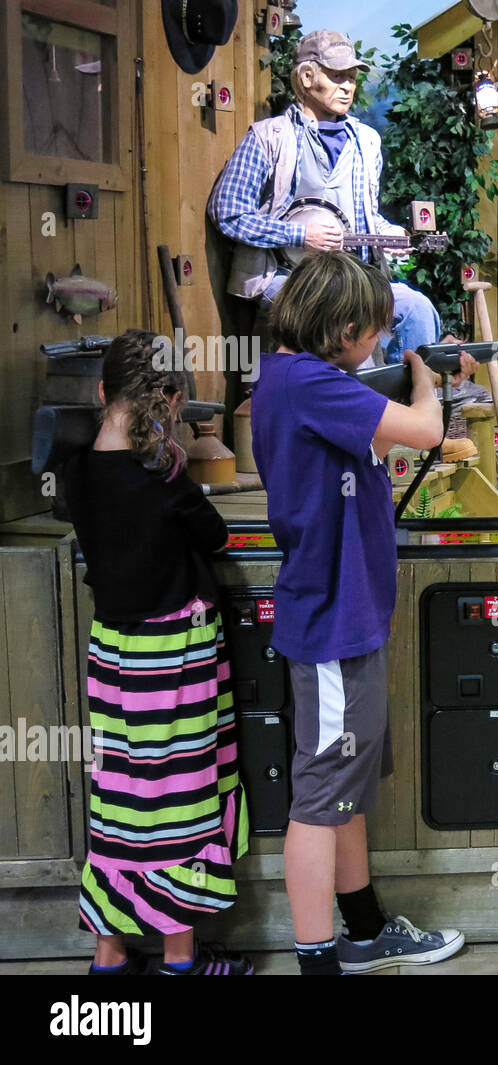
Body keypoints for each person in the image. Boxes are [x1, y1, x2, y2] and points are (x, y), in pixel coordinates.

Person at [251, 251, 476, 975]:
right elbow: (424, 431)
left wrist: (415, 393)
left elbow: (378, 440)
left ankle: (364, 931)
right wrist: (425, 382)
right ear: (342, 328)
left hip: (346, 616)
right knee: (320, 796)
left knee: (342, 786)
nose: (377, 347)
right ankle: (320, 957)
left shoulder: (305, 380)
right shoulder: (312, 382)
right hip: (332, 622)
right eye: (373, 336)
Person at [64, 329, 251, 975]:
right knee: (180, 795)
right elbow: (218, 536)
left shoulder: (76, 471)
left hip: (112, 654)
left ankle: (109, 956)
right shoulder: (166, 479)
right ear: (170, 401)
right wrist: (176, 465)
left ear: (100, 392)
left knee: (120, 795)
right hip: (173, 658)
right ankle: (179, 959)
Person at [208, 29, 446, 365]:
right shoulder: (269, 137)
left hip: (353, 280)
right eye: (337, 76)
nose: (347, 86)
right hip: (286, 278)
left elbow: (365, 215)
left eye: (351, 78)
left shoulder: (367, 142)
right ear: (307, 77)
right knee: (346, 325)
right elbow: (228, 212)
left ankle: (405, 408)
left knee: (416, 309)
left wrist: (387, 234)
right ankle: (361, 411)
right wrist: (299, 235)